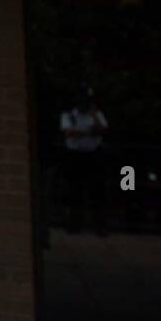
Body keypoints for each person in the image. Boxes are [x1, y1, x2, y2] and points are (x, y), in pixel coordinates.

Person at [59, 86, 109, 234]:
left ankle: (99, 226)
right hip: (75, 156)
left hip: (93, 155)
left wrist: (92, 121)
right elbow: (68, 133)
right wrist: (90, 132)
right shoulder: (69, 115)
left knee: (97, 192)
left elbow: (103, 129)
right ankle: (74, 225)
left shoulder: (96, 114)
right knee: (75, 191)